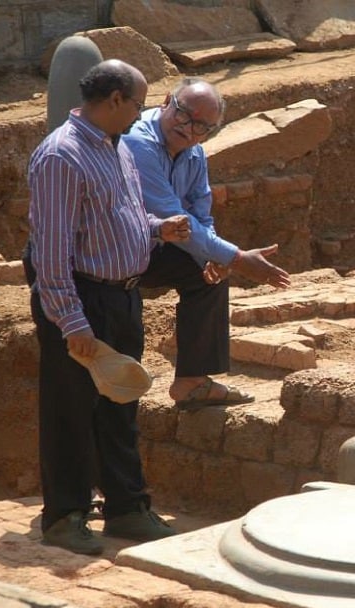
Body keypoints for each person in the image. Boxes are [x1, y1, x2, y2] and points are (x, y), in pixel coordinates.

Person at [27, 60, 190, 555]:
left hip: (122, 294)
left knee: (120, 404)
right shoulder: (61, 157)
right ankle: (65, 515)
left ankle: (125, 508)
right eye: (139, 103)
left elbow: (121, 215)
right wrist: (72, 323)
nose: (142, 114)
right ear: (116, 99)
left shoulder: (115, 148)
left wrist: (158, 228)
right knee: (70, 410)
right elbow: (50, 254)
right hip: (80, 299)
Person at [124, 77, 290, 410]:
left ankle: (192, 383)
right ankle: (123, 382)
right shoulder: (138, 143)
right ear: (167, 101)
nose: (188, 129)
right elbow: (171, 215)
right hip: (116, 249)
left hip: (160, 243)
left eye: (201, 126)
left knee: (208, 274)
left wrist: (214, 258)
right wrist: (239, 258)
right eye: (184, 115)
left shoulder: (194, 154)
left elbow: (201, 213)